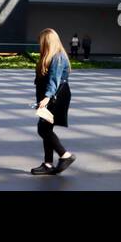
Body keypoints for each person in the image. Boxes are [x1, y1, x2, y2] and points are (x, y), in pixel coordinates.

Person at [32, 29, 76, 175]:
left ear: (48, 42)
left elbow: (54, 80)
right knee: (46, 129)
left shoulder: (58, 57)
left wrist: (46, 98)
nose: (40, 45)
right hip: (50, 96)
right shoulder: (50, 56)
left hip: (56, 96)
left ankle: (65, 156)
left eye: (42, 42)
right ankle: (48, 164)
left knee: (43, 129)